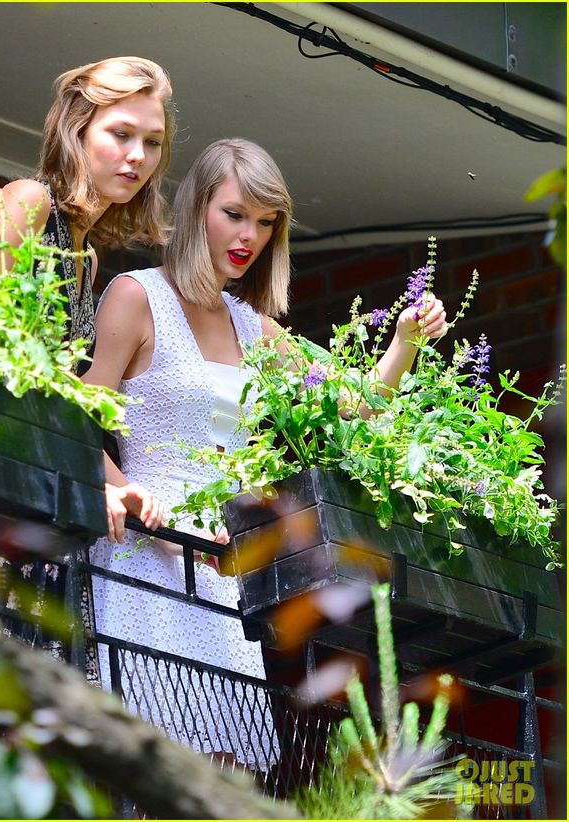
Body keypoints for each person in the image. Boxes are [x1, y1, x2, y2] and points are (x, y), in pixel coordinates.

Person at [83, 137, 448, 767]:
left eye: (264, 221)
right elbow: (78, 414)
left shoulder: (252, 326)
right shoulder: (136, 296)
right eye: (234, 213)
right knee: (146, 761)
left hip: (221, 574)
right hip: (146, 553)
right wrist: (117, 486)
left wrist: (405, 344)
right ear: (198, 207)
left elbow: (354, 409)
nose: (248, 235)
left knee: (223, 775)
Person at [0, 56, 173, 675]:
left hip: (31, 510)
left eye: (153, 142)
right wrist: (91, 476)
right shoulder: (25, 204)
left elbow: (62, 398)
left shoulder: (83, 258)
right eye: (120, 134)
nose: (137, 156)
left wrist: (119, 482)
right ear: (77, 129)